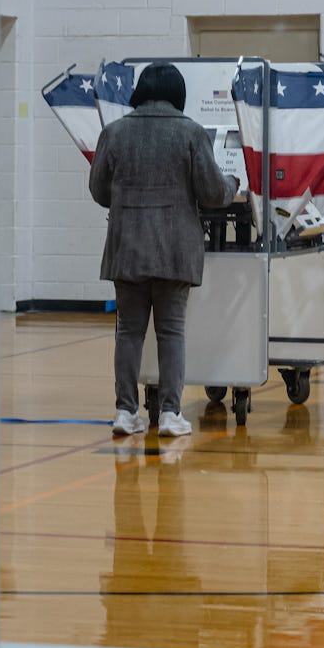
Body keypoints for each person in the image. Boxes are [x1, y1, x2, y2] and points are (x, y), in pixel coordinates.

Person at [89, 63, 240, 438]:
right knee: (172, 332)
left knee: (128, 332)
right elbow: (212, 193)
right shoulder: (190, 132)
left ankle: (125, 412)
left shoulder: (114, 132)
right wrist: (233, 183)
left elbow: (98, 192)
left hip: (128, 247)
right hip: (175, 249)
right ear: (178, 93)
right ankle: (171, 414)